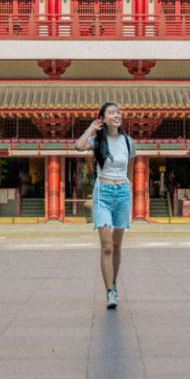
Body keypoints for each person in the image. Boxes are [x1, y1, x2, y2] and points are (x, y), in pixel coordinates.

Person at [75, 102, 134, 310]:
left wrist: (126, 187)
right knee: (107, 245)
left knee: (117, 245)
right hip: (103, 193)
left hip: (123, 192)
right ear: (103, 118)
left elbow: (130, 168)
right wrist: (92, 128)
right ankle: (110, 291)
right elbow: (79, 146)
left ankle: (113, 284)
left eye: (118, 112)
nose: (116, 115)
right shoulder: (98, 141)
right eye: (111, 113)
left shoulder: (128, 142)